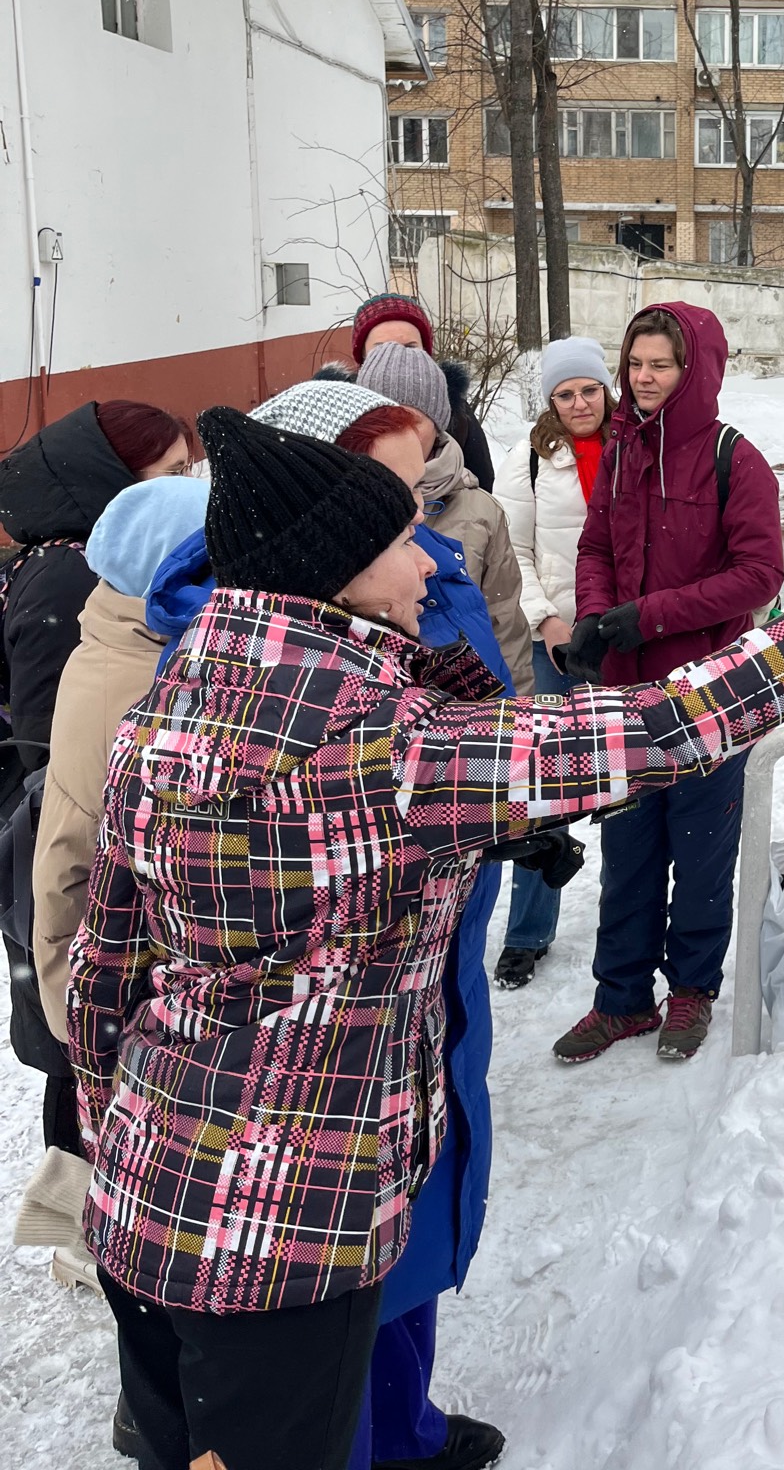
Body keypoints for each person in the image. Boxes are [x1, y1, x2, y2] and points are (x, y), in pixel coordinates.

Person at [70, 400, 784, 1470]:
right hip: (284, 1241)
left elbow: (106, 972)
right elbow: (660, 729)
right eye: (395, 536)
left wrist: (122, 1143)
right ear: (326, 568)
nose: (426, 557)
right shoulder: (382, 743)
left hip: (144, 1192)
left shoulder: (173, 702)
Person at [143, 378, 518, 1470]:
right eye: (402, 504)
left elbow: (478, 736)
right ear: (321, 523)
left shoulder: (411, 589)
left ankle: (408, 1426)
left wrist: (496, 825)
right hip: (315, 1083)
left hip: (429, 971)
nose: (433, 544)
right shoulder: (225, 684)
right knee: (336, 1300)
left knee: (416, 1230)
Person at [556, 303, 784, 1065]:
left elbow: (758, 575)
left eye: (661, 364)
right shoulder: (619, 453)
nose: (644, 378)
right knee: (627, 854)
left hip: (708, 696)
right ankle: (620, 999)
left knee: (701, 854)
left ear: (697, 370)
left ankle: (691, 990)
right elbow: (594, 548)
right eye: (636, 363)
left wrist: (645, 617)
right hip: (627, 696)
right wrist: (595, 618)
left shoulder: (734, 459)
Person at [0, 399, 191, 1157]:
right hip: (52, 845)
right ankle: (80, 1216)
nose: (186, 487)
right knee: (76, 1057)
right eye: (171, 473)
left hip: (61, 848)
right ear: (115, 479)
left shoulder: (85, 558)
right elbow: (59, 756)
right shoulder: (74, 577)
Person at [495, 335, 617, 987]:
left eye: (588, 390)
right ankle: (525, 934)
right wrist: (546, 617)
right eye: (564, 394)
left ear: (606, 389)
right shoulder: (531, 461)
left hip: (627, 639)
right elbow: (510, 552)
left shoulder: (635, 447)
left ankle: (632, 930)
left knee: (636, 784)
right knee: (541, 791)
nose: (578, 403)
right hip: (557, 646)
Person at [357, 341, 532, 691]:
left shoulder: (480, 511)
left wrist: (517, 710)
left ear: (437, 425)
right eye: (380, 416)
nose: (394, 431)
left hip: (478, 712)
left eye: (411, 419)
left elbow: (506, 624)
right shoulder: (339, 515)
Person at [349, 292, 495, 492]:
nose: (396, 357)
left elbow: (482, 488)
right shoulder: (337, 419)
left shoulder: (457, 415)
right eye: (381, 348)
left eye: (409, 347)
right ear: (362, 357)